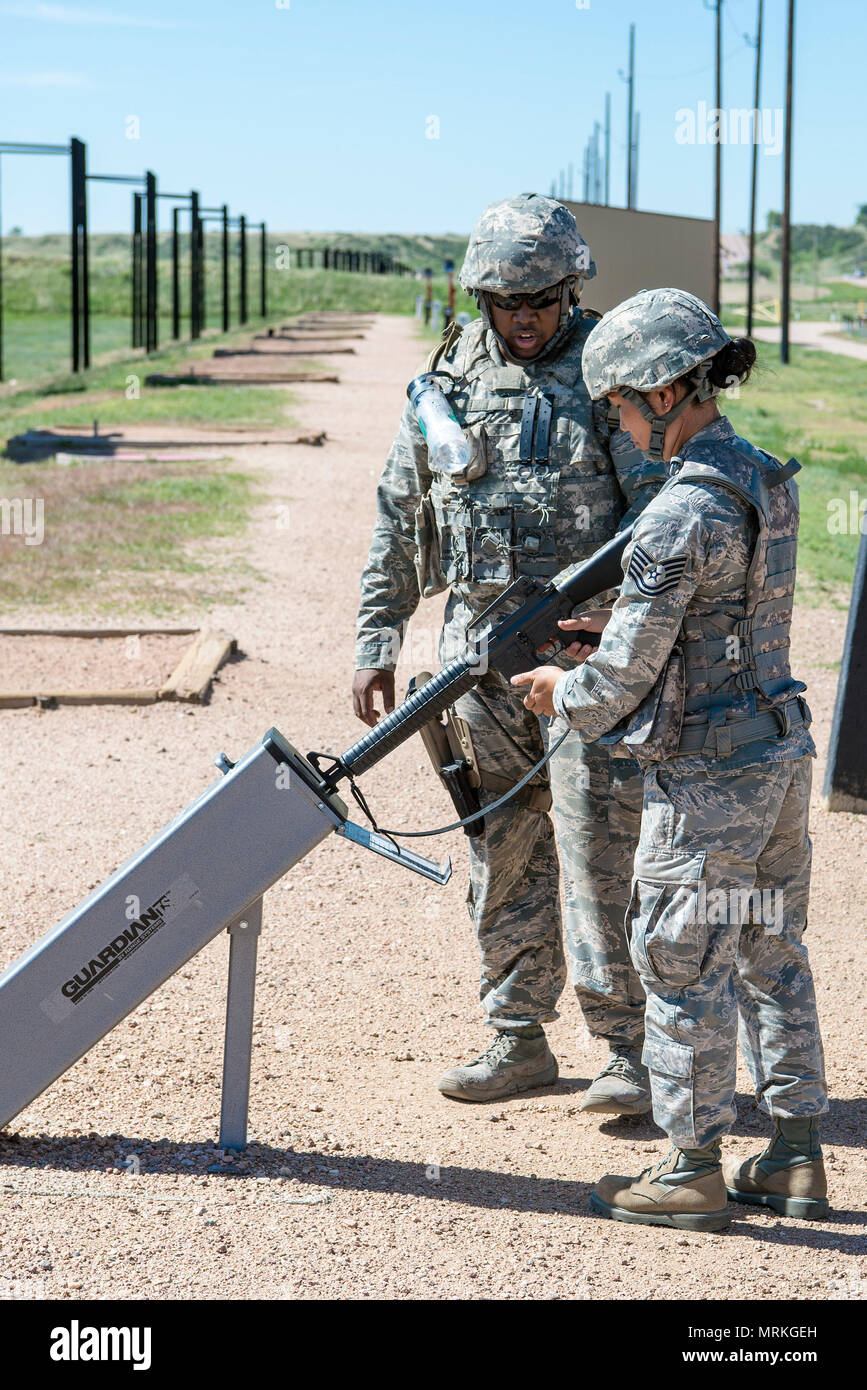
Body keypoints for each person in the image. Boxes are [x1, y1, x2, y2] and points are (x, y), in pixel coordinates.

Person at [511, 286, 828, 1230]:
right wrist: (608, 630)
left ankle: (689, 1167)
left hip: (704, 780)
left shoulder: (673, 514)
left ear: (661, 389)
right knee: (771, 951)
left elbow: (613, 690)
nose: (613, 415)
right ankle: (794, 1157)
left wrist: (555, 688)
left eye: (616, 400)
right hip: (775, 752)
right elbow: (721, 617)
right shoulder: (764, 474)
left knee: (679, 962)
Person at [354, 195, 663, 1113]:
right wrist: (377, 638)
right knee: (503, 847)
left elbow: (663, 520)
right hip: (479, 667)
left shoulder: (616, 373)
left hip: (586, 666)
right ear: (480, 297)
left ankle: (630, 1053)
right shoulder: (446, 379)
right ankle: (516, 1035)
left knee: (603, 851)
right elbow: (402, 519)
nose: (524, 319)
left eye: (541, 300)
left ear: (571, 288)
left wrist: (618, 636)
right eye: (505, 301)